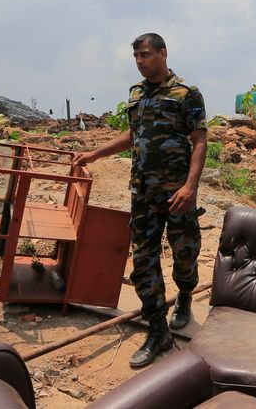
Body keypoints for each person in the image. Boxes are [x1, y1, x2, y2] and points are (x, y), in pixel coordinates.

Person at [72, 33, 207, 368]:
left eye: (145, 54)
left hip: (177, 194)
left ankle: (185, 295)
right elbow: (134, 135)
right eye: (136, 56)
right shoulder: (136, 93)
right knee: (143, 261)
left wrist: (190, 187)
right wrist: (95, 154)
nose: (140, 61)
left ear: (163, 53)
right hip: (143, 193)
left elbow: (200, 141)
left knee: (185, 254)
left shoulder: (186, 93)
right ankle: (158, 330)